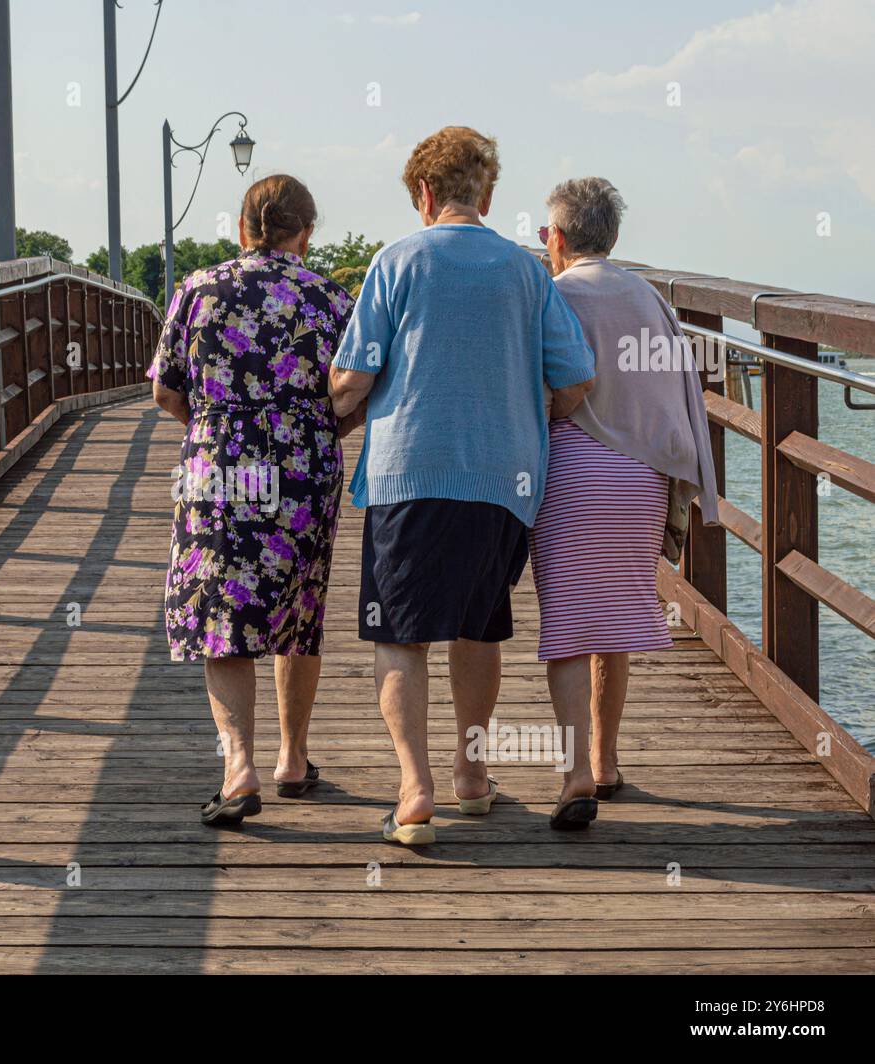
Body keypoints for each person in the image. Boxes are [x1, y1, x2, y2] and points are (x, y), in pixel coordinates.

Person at [330, 127, 596, 844]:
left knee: (401, 635)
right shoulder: (527, 271)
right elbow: (574, 381)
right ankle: (472, 777)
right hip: (502, 478)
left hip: (409, 472)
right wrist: (524, 408)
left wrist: (327, 407)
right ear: (486, 194)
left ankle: (414, 792)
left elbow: (352, 380)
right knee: (479, 626)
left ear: (423, 194)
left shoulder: (396, 260)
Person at [148, 174, 357, 826]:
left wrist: (214, 425)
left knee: (223, 614)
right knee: (299, 608)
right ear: (306, 233)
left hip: (220, 466)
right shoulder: (330, 300)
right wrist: (324, 429)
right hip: (302, 470)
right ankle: (293, 759)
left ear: (243, 229)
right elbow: (355, 392)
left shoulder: (197, 290)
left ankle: (238, 768)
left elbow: (165, 391)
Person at [533, 177, 719, 825]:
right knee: (610, 626)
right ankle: (607, 762)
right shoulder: (647, 297)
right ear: (613, 236)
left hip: (572, 472)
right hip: (644, 478)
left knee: (566, 628)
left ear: (555, 239)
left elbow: (542, 387)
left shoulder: (553, 296)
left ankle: (575, 775)